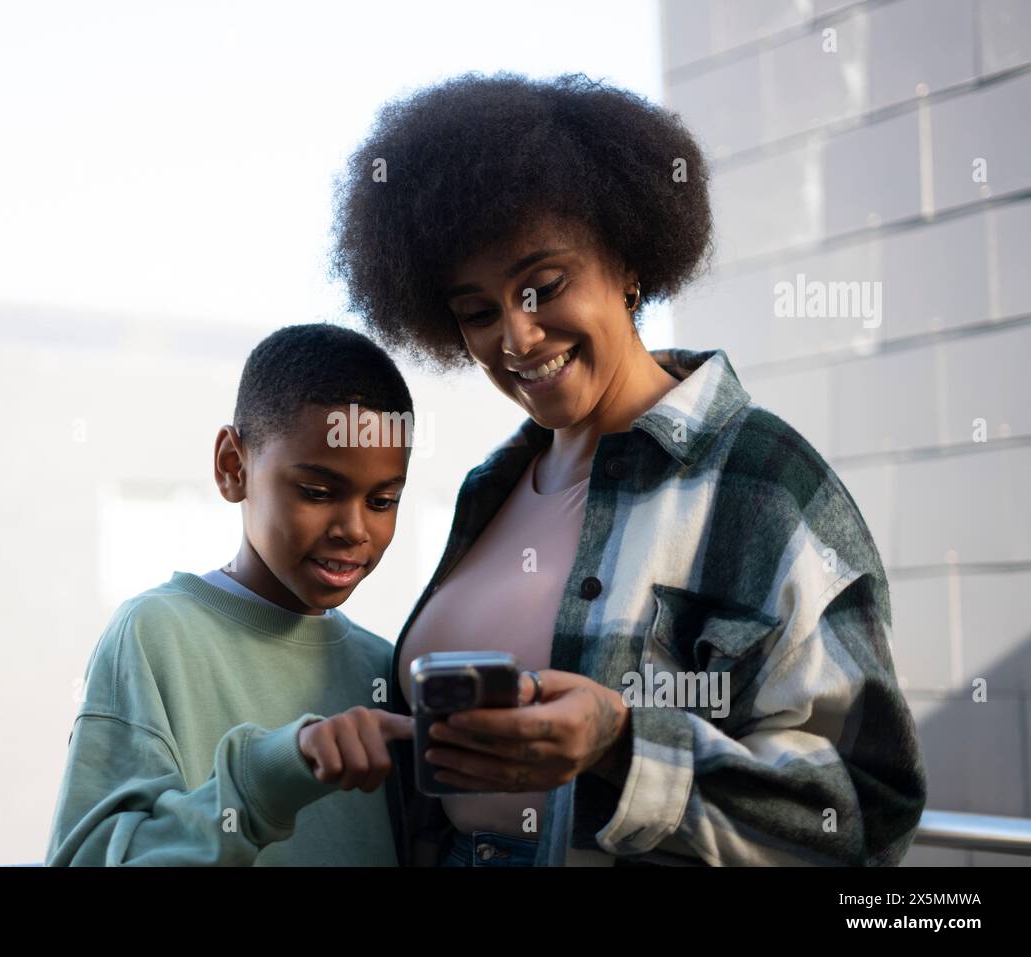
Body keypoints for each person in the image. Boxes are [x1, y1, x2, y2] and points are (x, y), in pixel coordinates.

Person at [328, 71, 927, 866]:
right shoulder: (490, 490)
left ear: (627, 263)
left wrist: (622, 743)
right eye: (478, 311)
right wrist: (385, 739)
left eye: (543, 286)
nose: (517, 337)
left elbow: (868, 808)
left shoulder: (761, 479)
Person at [45, 323, 415, 865]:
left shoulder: (385, 666)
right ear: (231, 466)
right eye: (316, 492)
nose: (354, 529)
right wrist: (266, 781)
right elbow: (89, 859)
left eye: (382, 501)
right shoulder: (155, 636)